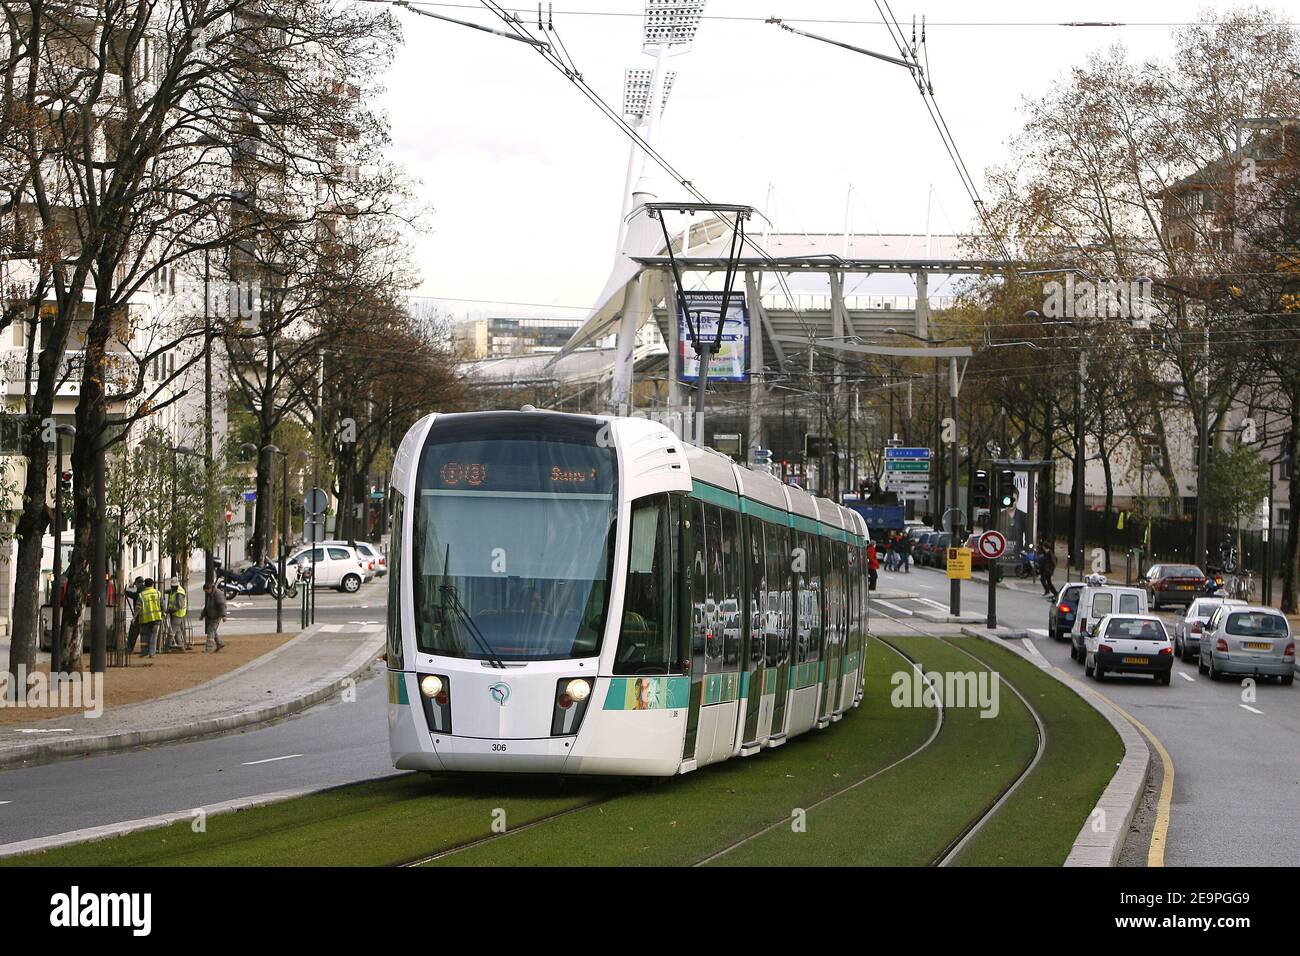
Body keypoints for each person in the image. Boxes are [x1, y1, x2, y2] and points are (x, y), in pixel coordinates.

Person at [137, 578, 163, 657]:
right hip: (156, 618)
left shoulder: (142, 595)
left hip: (145, 619)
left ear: (145, 585)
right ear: (152, 584)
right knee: (153, 636)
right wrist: (164, 613)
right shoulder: (158, 593)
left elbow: (138, 607)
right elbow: (162, 605)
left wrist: (134, 617)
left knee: (144, 636)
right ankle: (152, 653)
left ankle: (144, 652)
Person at [201, 581, 228, 653]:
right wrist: (203, 614)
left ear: (210, 588)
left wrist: (224, 616)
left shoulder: (218, 594)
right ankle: (219, 643)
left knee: (210, 631)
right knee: (213, 630)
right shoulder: (210, 594)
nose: (206, 592)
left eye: (206, 591)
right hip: (212, 615)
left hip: (216, 616)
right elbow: (207, 606)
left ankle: (208, 649)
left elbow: (222, 605)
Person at [165, 577, 188, 651]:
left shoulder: (179, 593)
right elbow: (169, 591)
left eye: (173, 586)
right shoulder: (174, 590)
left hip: (178, 614)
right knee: (177, 631)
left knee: (171, 631)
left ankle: (167, 646)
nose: (172, 587)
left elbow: (179, 606)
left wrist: (169, 610)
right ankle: (181, 646)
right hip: (175, 613)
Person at [124, 576, 144, 655]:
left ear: (139, 583)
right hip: (144, 614)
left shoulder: (141, 590)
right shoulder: (145, 588)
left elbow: (135, 595)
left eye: (136, 584)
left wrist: (127, 592)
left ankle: (129, 648)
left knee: (133, 632)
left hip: (139, 614)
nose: (136, 586)